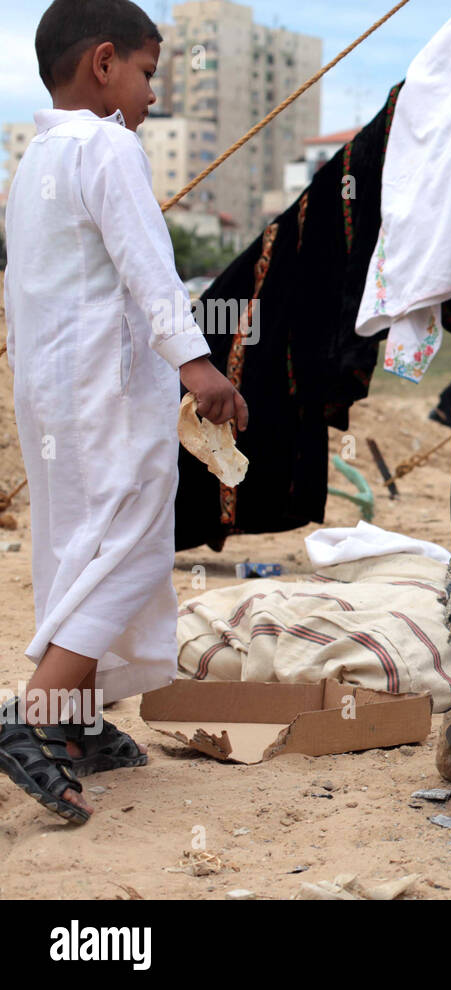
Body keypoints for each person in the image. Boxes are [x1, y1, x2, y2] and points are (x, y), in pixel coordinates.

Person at [1, 0, 247, 824]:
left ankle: (71, 719)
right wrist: (198, 365)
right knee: (134, 546)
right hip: (105, 388)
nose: (152, 93)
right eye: (148, 73)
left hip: (50, 394)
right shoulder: (109, 145)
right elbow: (148, 266)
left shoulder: (35, 159)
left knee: (78, 543)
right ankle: (33, 712)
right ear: (103, 63)